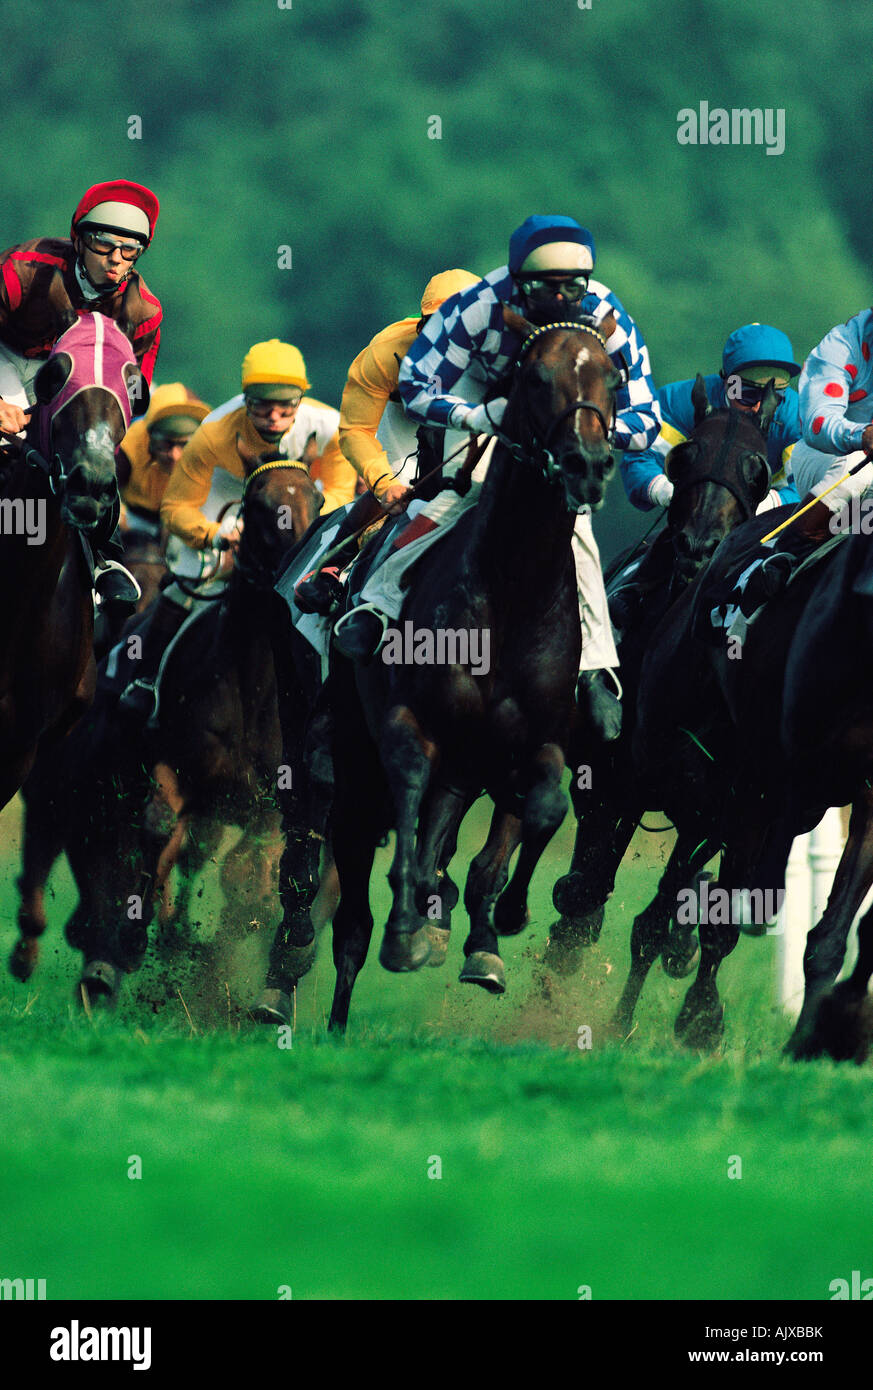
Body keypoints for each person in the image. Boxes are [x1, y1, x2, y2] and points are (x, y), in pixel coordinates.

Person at [332, 215, 661, 740]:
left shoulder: (600, 314)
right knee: (449, 497)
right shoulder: (444, 326)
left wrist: (588, 432)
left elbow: (645, 421)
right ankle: (379, 604)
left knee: (573, 527)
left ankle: (595, 667)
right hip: (452, 408)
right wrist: (460, 426)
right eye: (544, 286)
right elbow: (392, 405)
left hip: (545, 417)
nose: (559, 297)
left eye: (570, 286)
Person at [118, 340, 356, 721]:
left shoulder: (331, 427)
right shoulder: (212, 434)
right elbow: (176, 508)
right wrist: (216, 535)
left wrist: (300, 524)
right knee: (188, 581)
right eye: (261, 405)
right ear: (245, 399)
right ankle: (147, 681)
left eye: (285, 406)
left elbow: (341, 494)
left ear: (301, 400)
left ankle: (341, 701)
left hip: (295, 498)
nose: (274, 417)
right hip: (225, 492)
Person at [0, 179, 162, 612]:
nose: (115, 260)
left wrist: (101, 434)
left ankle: (106, 559)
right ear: (78, 240)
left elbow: (133, 395)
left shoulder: (143, 312)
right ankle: (16, 530)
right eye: (104, 245)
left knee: (93, 447)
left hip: (70, 385)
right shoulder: (23, 269)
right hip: (8, 357)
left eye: (130, 251)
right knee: (7, 447)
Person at [292, 268, 480, 616]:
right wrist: (382, 482)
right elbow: (356, 430)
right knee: (401, 485)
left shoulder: (505, 349)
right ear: (422, 327)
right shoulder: (385, 352)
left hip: (475, 420)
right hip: (408, 421)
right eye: (437, 328)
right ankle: (330, 566)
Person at [610, 324, 802, 631]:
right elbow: (640, 455)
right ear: (725, 380)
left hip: (768, 526)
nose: (757, 403)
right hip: (694, 518)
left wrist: (766, 508)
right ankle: (632, 595)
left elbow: (810, 487)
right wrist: (665, 491)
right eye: (747, 391)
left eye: (774, 393)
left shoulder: (798, 418)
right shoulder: (678, 402)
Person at [731, 309, 873, 617]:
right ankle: (780, 555)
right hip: (829, 455)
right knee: (864, 471)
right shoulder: (842, 345)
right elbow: (818, 424)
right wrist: (863, 434)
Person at [117, 382, 211, 545]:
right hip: (134, 519)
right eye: (165, 445)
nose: (175, 456)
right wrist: (120, 517)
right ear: (150, 437)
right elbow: (102, 491)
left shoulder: (208, 448)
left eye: (184, 444)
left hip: (188, 516)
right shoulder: (131, 444)